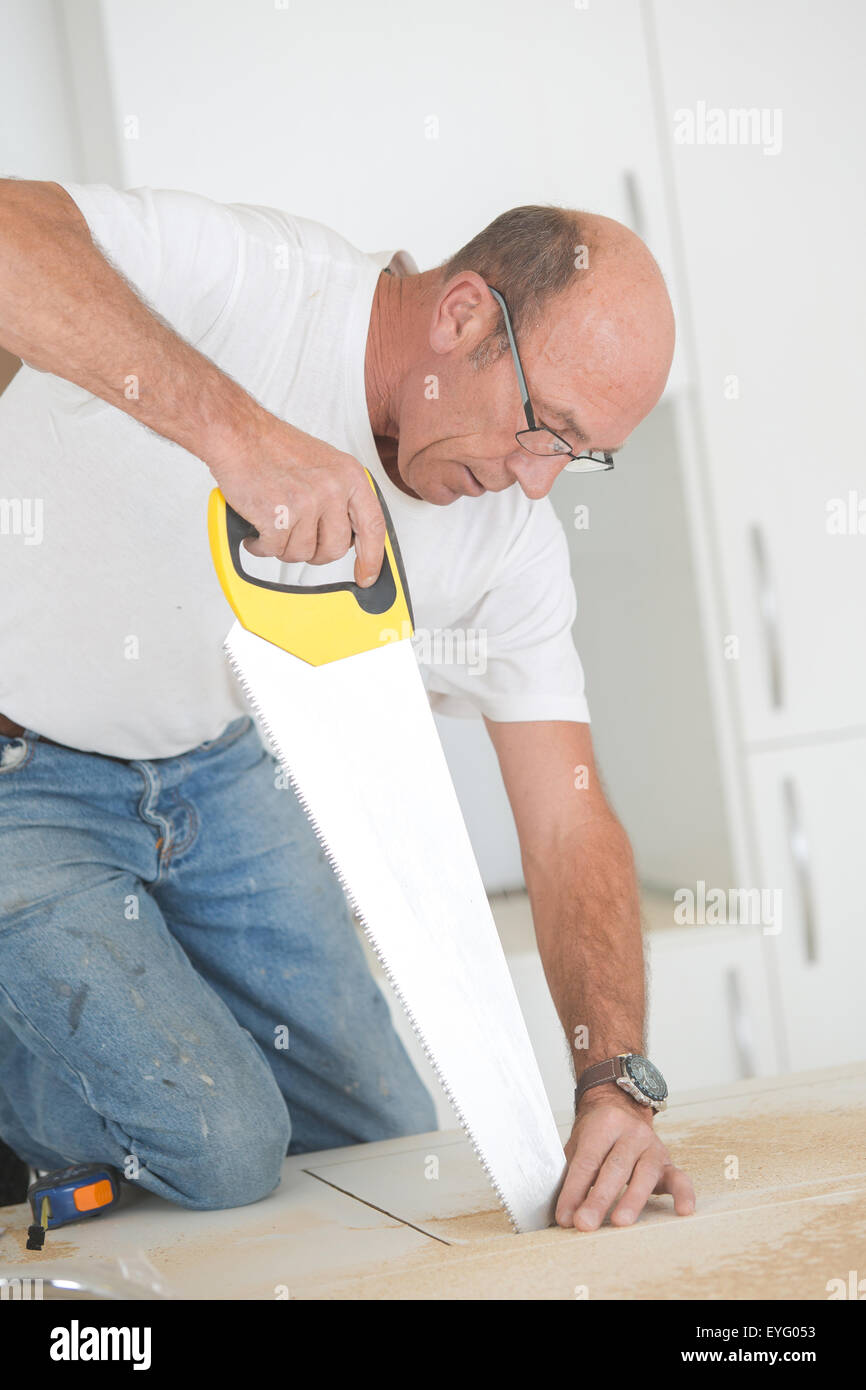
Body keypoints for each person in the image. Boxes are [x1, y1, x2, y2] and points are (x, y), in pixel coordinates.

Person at [0, 179, 694, 1229]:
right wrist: (236, 434)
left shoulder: (509, 537)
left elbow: (567, 818)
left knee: (384, 1140)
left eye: (576, 453)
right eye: (541, 426)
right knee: (224, 1145)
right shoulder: (260, 281)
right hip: (17, 767)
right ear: (462, 315)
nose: (537, 482)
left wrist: (612, 1082)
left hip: (216, 765)